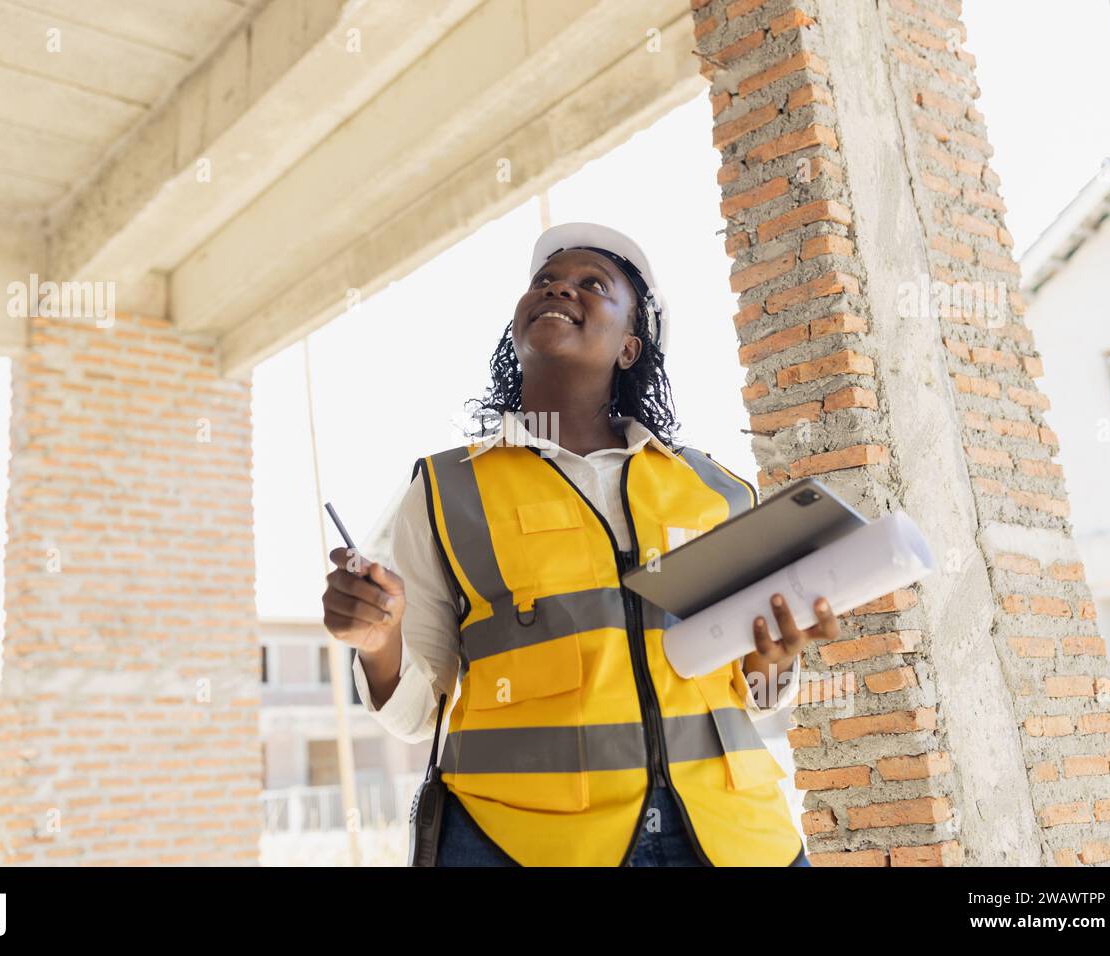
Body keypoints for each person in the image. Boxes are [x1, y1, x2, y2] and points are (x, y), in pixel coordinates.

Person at [322, 222, 841, 866]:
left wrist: (775, 660)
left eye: (592, 284)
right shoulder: (444, 489)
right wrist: (377, 640)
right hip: (519, 842)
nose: (559, 288)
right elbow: (414, 712)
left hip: (732, 835)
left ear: (630, 347)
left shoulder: (718, 491)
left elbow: (754, 697)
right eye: (544, 281)